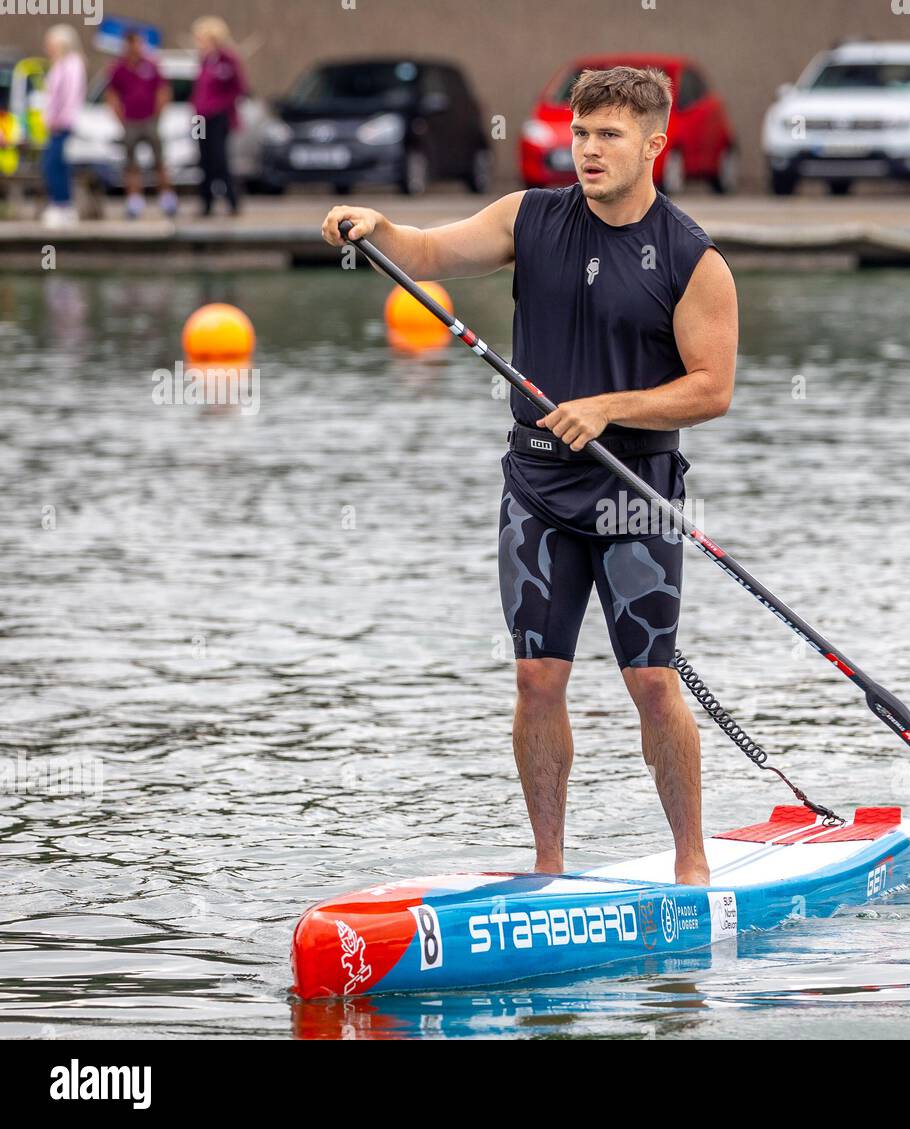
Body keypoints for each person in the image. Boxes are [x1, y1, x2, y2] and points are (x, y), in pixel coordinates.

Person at [322, 67, 738, 886]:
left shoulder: (694, 258)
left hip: (634, 495)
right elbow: (434, 250)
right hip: (538, 489)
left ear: (653, 145)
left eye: (608, 136)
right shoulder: (532, 217)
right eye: (581, 134)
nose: (587, 150)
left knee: (651, 681)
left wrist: (608, 407)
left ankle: (694, 865)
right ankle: (547, 867)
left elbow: (711, 388)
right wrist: (379, 226)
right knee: (535, 676)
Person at [105, 30, 175, 219]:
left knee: (159, 161)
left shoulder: (151, 65)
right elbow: (112, 94)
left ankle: (167, 198)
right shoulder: (118, 68)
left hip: (150, 120)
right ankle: (134, 201)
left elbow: (163, 90)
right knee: (131, 164)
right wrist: (120, 117)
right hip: (130, 122)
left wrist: (158, 114)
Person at [190, 16, 247, 216]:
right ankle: (206, 203)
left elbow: (239, 87)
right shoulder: (204, 60)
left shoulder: (227, 59)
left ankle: (232, 200)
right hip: (201, 117)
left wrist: (221, 106)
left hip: (218, 116)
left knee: (219, 159)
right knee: (204, 159)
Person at [41, 24, 86, 228]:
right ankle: (59, 204)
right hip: (54, 124)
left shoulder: (73, 63)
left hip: (63, 125)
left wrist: (61, 120)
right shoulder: (59, 64)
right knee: (54, 165)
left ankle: (63, 206)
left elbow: (70, 96)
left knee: (55, 164)